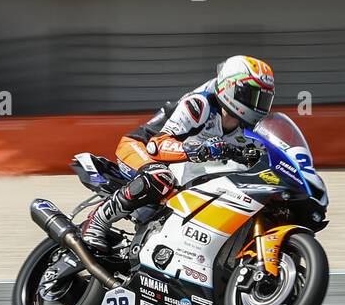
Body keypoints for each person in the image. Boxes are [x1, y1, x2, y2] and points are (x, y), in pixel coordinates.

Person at [79, 55, 275, 252]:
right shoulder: (200, 106)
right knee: (160, 177)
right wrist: (199, 150)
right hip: (140, 147)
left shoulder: (248, 131)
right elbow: (157, 145)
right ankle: (97, 221)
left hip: (179, 166)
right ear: (231, 88)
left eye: (264, 99)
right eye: (253, 96)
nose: (258, 105)